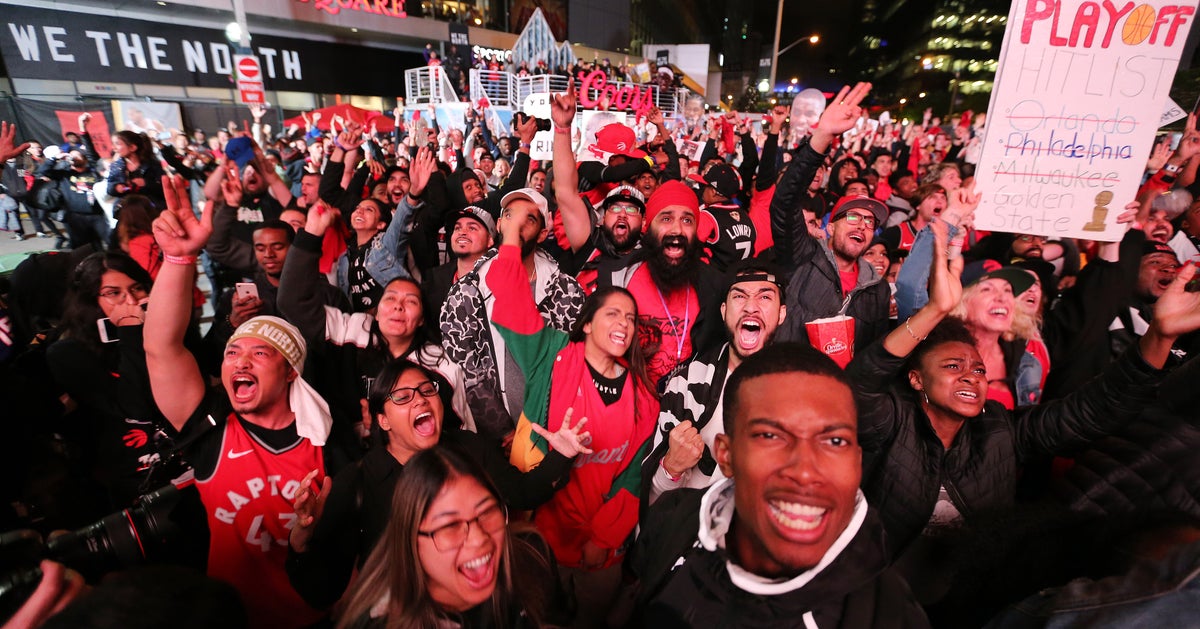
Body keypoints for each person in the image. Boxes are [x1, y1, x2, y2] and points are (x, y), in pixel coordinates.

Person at [846, 211, 1200, 608]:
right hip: (872, 598)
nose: (971, 376)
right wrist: (935, 310)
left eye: (979, 369)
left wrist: (1159, 335)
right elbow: (858, 384)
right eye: (952, 366)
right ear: (916, 379)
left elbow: (1091, 412)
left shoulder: (999, 431)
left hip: (965, 604)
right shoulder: (888, 421)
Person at [143, 174, 352, 628]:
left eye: (259, 353)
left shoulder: (327, 450)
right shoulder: (212, 430)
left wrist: (310, 539)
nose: (240, 361)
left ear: (292, 371)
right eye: (233, 352)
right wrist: (179, 258)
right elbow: (161, 349)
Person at [631, 342, 930, 628]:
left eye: (834, 441)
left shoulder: (887, 616)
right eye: (770, 436)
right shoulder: (674, 517)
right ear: (726, 455)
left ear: (856, 459)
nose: (804, 472)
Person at [286, 360, 587, 610]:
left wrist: (561, 454)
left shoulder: (469, 448)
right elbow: (323, 592)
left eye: (427, 390)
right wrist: (302, 541)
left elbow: (522, 493)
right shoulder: (357, 481)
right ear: (384, 421)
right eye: (403, 397)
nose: (420, 399)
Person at [486, 212, 659, 628]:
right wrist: (510, 235)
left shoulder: (644, 398)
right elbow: (508, 297)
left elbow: (633, 475)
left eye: (631, 319)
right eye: (613, 314)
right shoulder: (553, 355)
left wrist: (603, 539)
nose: (624, 324)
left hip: (598, 553)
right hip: (538, 538)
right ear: (587, 323)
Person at [336, 446, 564, 629]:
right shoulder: (380, 621)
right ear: (411, 541)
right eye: (449, 526)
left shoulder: (532, 557)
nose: (478, 539)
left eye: (486, 512)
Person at [441, 188, 585, 443]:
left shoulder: (567, 290)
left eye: (528, 219)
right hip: (492, 439)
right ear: (498, 224)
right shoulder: (467, 290)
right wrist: (504, 432)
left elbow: (576, 359)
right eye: (509, 215)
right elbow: (464, 369)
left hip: (555, 431)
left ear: (543, 233)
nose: (516, 224)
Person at [642, 262, 789, 504]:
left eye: (764, 297)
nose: (751, 307)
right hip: (691, 531)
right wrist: (671, 469)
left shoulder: (799, 389)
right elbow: (653, 504)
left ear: (782, 313)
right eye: (739, 296)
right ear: (723, 311)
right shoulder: (687, 384)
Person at [770, 83, 893, 354]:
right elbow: (784, 203)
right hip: (787, 382)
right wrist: (822, 137)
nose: (862, 224)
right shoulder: (802, 256)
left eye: (870, 222)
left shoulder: (878, 290)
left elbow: (872, 356)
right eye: (853, 216)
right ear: (830, 225)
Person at [107, 130, 165, 210]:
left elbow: (163, 187)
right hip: (126, 208)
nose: (114, 148)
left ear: (132, 147)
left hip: (151, 208)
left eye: (117, 144)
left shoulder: (152, 164)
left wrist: (146, 183)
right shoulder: (116, 166)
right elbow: (109, 187)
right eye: (113, 144)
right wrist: (116, 187)